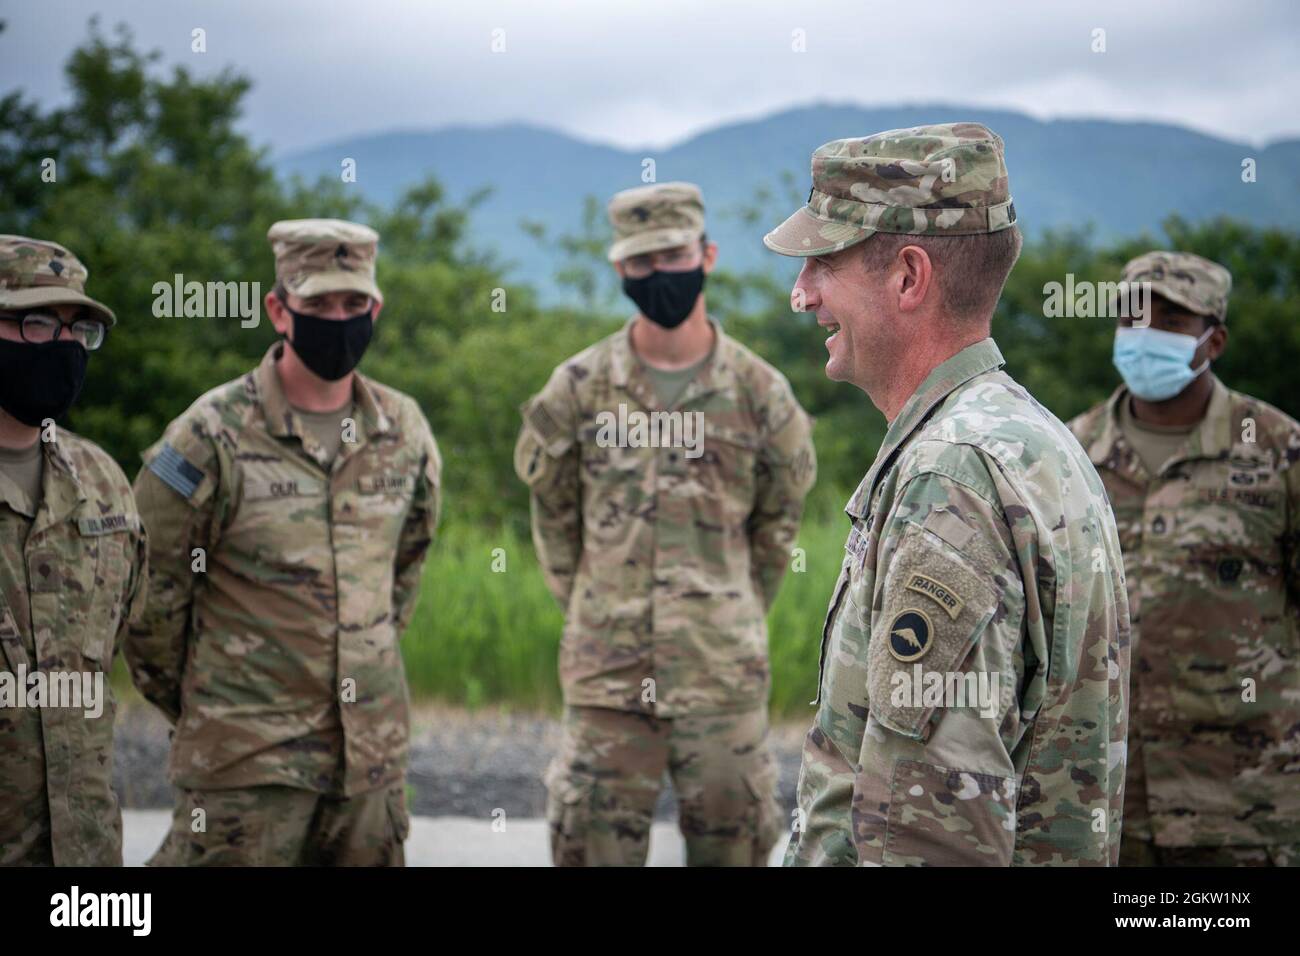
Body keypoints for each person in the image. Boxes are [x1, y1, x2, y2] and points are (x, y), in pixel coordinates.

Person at [765, 124, 1130, 866]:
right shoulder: (1032, 437)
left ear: (908, 276)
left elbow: (929, 831)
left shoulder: (950, 475)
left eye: (822, 265)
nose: (801, 295)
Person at [515, 182, 817, 866]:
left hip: (722, 677)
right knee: (590, 849)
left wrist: (728, 609)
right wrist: (596, 607)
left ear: (706, 254)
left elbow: (776, 528)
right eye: (641, 262)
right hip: (606, 683)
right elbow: (555, 519)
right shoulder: (578, 388)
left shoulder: (760, 393)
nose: (659, 274)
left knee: (735, 846)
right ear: (620, 270)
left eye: (673, 255)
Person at [128, 219, 441, 866]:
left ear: (375, 308)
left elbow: (402, 570)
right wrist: (204, 705)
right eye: (318, 304)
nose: (339, 319)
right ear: (278, 309)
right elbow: (148, 592)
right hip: (246, 765)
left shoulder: (401, 428)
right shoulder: (208, 433)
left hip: (369, 767)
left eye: (354, 305)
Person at [1069, 251, 1300, 866]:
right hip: (1100, 800)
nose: (1146, 335)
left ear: (1213, 339)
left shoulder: (1278, 451)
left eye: (1171, 320)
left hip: (1243, 802)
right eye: (1133, 316)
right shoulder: (1067, 453)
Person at [0, 235, 147, 865]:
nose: (62, 348)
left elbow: (130, 637)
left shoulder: (103, 484)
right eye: (36, 324)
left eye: (77, 331)